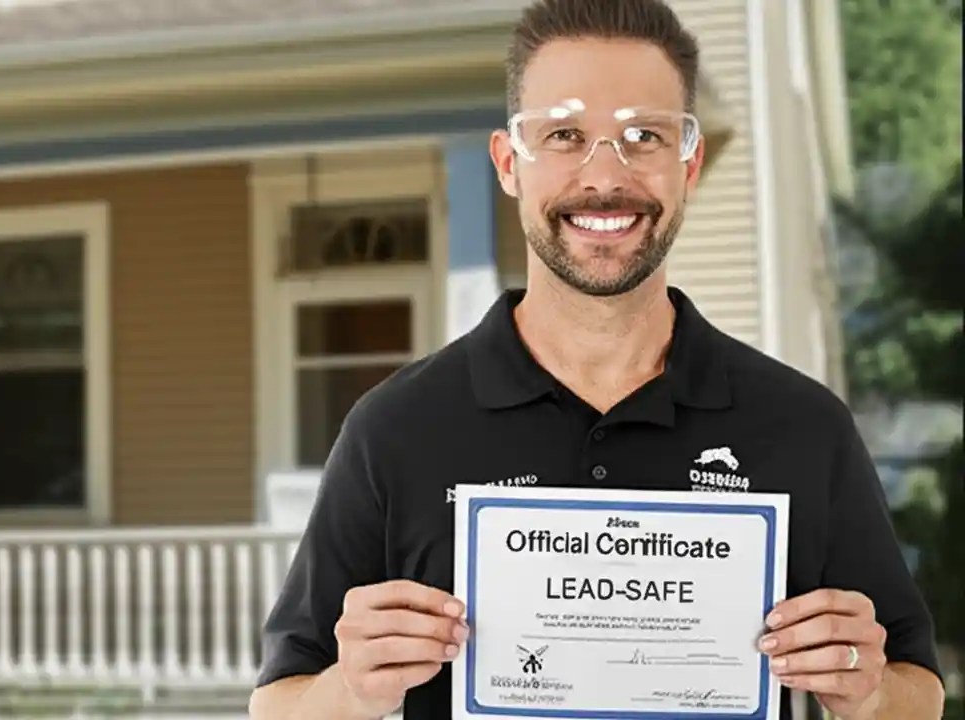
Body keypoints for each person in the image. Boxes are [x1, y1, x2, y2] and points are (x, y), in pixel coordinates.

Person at [247, 1, 946, 718]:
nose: (604, 175)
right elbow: (279, 705)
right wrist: (352, 688)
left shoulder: (802, 427)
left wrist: (864, 691)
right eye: (564, 134)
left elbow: (916, 694)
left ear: (689, 164)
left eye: (643, 135)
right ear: (508, 163)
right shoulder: (396, 428)